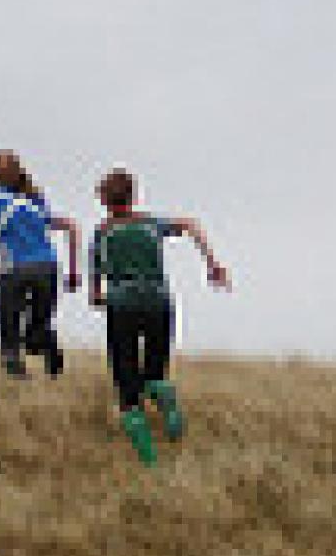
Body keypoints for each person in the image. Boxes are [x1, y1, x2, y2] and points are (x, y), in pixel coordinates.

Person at [89, 168, 232, 465]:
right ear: (134, 196)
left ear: (104, 200)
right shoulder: (152, 224)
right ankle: (163, 393)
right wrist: (212, 264)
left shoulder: (102, 233)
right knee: (155, 370)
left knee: (127, 385)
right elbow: (191, 225)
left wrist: (99, 296)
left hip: (123, 305)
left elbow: (95, 286)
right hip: (159, 301)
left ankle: (150, 463)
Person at [0, 151, 80, 378]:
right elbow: (72, 227)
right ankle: (48, 346)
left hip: (14, 269)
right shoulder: (35, 201)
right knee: (38, 330)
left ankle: (15, 367)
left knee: (8, 319)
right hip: (48, 268)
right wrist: (74, 270)